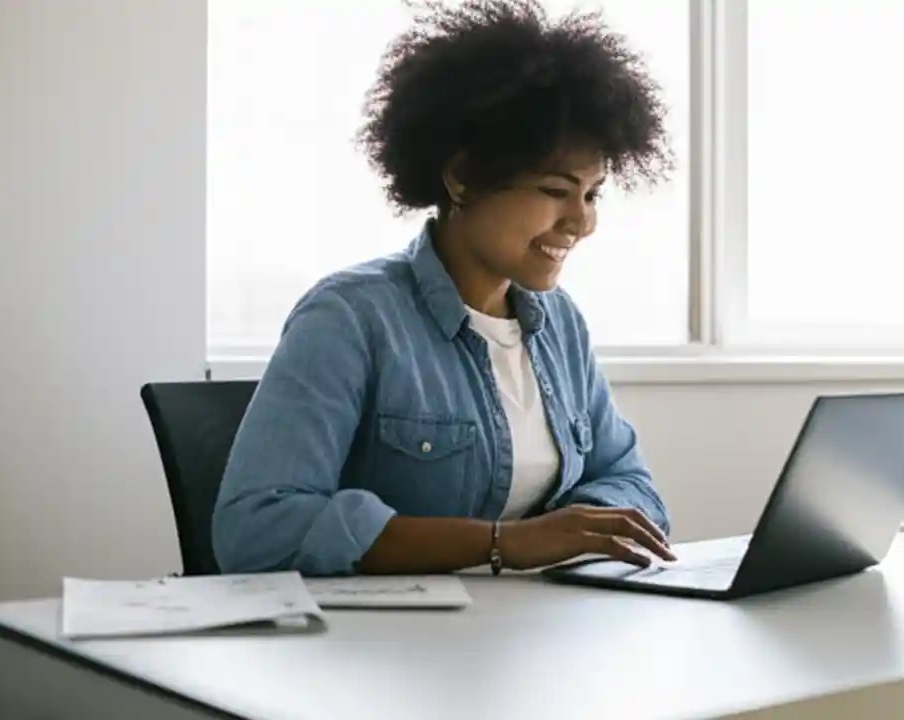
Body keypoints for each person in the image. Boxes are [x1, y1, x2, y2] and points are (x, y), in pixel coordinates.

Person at [212, 0, 677, 576]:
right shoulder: (350, 319)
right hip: (376, 651)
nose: (581, 223)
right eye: (555, 191)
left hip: (531, 633)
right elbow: (258, 528)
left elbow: (630, 481)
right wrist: (505, 543)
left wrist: (575, 529)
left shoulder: (560, 324)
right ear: (462, 176)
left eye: (592, 194)